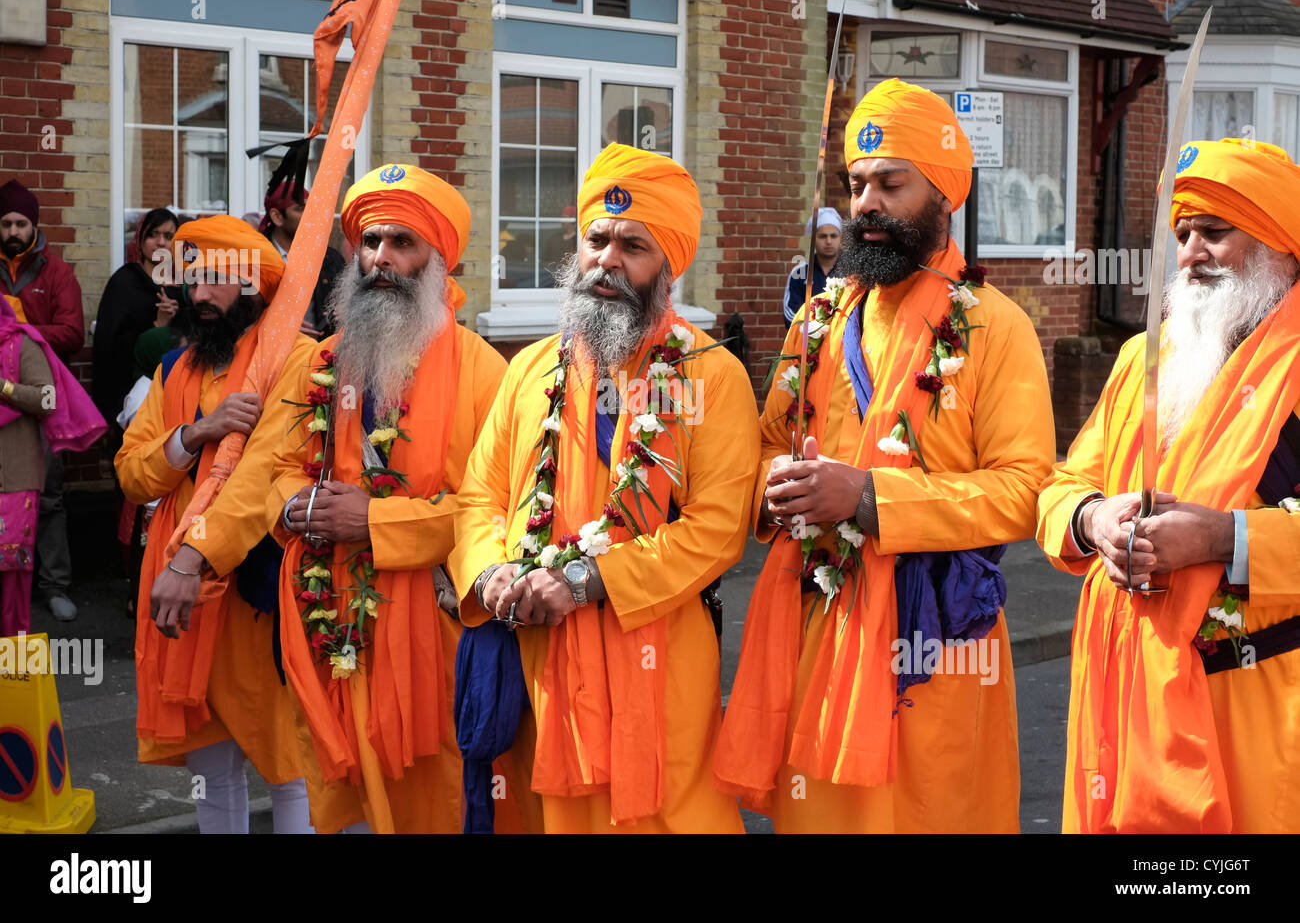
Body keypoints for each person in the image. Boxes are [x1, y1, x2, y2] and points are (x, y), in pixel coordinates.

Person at [714, 78, 1055, 832]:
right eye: (856, 184)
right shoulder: (816, 320)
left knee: (929, 809)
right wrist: (778, 483)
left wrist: (868, 498)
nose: (865, 204)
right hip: (817, 623)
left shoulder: (996, 327)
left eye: (889, 185)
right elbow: (771, 441)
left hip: (933, 637)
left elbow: (1025, 490)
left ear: (943, 197)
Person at [451, 143, 761, 833]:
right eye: (596, 239)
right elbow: (480, 496)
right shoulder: (531, 368)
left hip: (657, 660)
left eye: (633, 245)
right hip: (540, 661)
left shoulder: (710, 377)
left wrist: (591, 580)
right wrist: (490, 569)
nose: (607, 260)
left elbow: (716, 530)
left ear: (669, 264)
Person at [1037, 137, 1300, 833]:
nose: (1189, 253)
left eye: (1215, 232)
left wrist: (1222, 538)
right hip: (1124, 695)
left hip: (1262, 703)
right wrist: (1094, 521)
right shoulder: (1139, 358)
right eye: (1182, 235)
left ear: (1280, 245)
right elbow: (1063, 485)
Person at [266, 163, 512, 834]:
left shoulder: (485, 370)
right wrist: (294, 508)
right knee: (345, 789)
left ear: (437, 259)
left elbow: (495, 512)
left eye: (403, 243)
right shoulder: (320, 364)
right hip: (333, 615)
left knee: (432, 797)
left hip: (431, 625)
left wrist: (376, 521)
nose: (382, 259)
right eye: (370, 242)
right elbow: (279, 467)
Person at [116, 215, 318, 834]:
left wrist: (191, 561)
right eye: (191, 282)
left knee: (288, 762)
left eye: (216, 282)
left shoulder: (298, 359)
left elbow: (260, 484)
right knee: (211, 765)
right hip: (183, 602)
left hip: (254, 589)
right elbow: (132, 473)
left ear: (255, 285)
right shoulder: (176, 370)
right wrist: (197, 433)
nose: (199, 296)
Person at [1, 179, 85, 622]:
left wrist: (22, 329)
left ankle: (54, 585)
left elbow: (73, 334)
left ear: (33, 225)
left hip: (43, 400)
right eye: (6, 223)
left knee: (48, 494)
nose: (13, 230)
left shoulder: (57, 272)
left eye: (21, 222)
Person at [0, 299, 104, 636]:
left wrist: (3, 386)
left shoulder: (20, 343)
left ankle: (13, 666)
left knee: (11, 574)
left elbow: (48, 400)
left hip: (14, 474)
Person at [93, 208, 179, 429]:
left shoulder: (188, 288)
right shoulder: (124, 283)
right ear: (140, 242)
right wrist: (158, 325)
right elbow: (109, 344)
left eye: (169, 236)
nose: (160, 242)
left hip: (178, 394)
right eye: (153, 234)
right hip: (131, 395)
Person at [261, 178, 344, 339]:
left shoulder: (330, 259)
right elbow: (239, 314)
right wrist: (276, 325)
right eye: (301, 209)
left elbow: (346, 300)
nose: (310, 215)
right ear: (277, 216)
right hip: (268, 354)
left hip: (317, 355)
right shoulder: (255, 259)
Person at [782, 206, 842, 326]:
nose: (829, 241)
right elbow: (790, 314)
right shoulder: (799, 273)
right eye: (823, 236)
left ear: (840, 238)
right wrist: (815, 330)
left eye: (833, 236)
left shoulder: (852, 271)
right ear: (812, 240)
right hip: (808, 340)